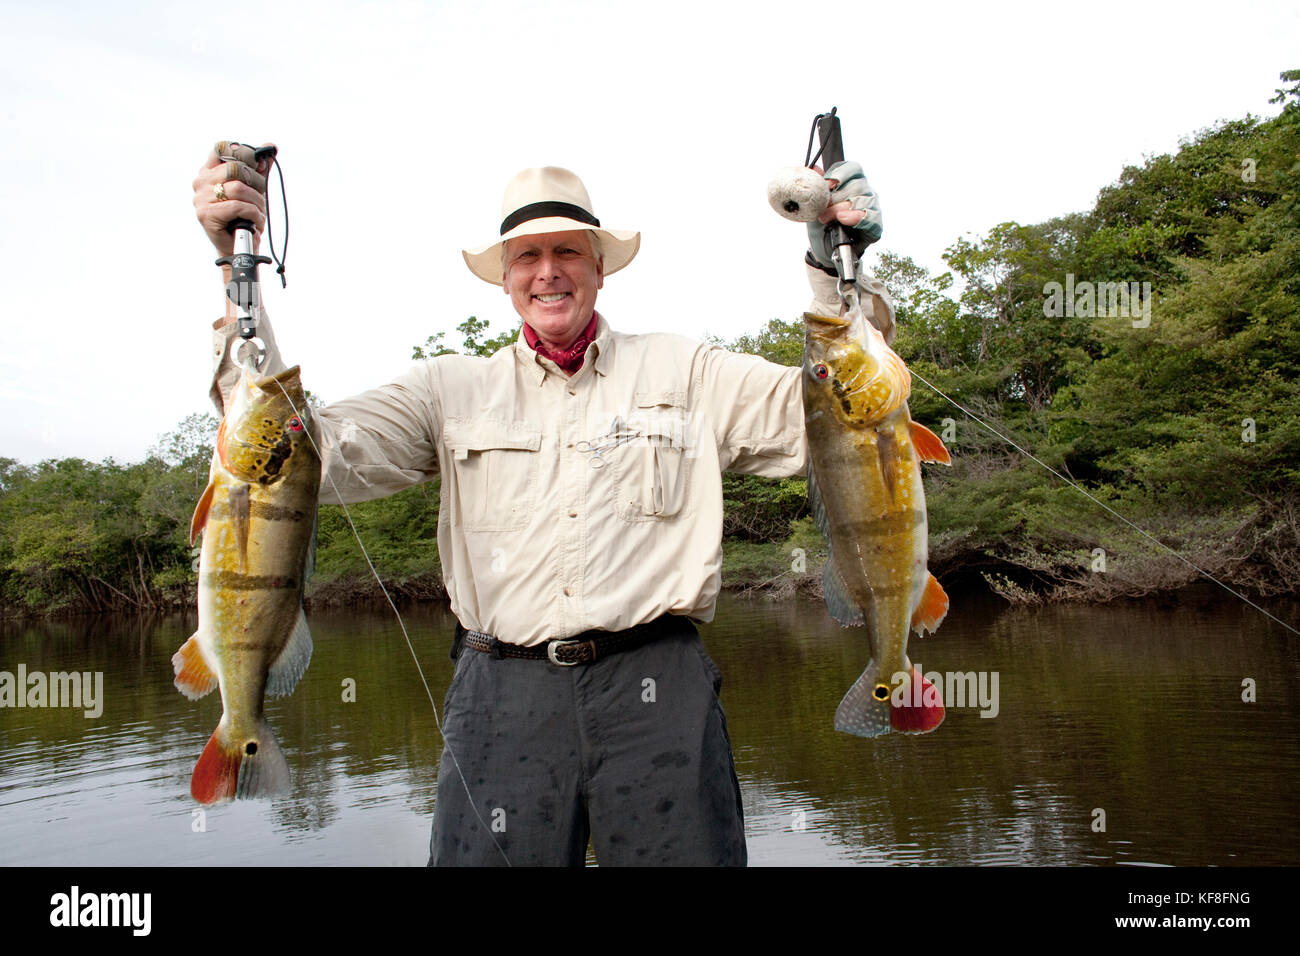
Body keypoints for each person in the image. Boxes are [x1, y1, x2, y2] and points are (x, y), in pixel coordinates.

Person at [191, 142, 893, 866]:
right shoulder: (446, 390)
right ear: (504, 278)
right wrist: (234, 281)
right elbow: (294, 452)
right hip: (500, 695)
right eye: (526, 255)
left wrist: (831, 271)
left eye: (567, 251)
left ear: (598, 268)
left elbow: (838, 416)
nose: (547, 270)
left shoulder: (689, 370)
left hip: (659, 688)